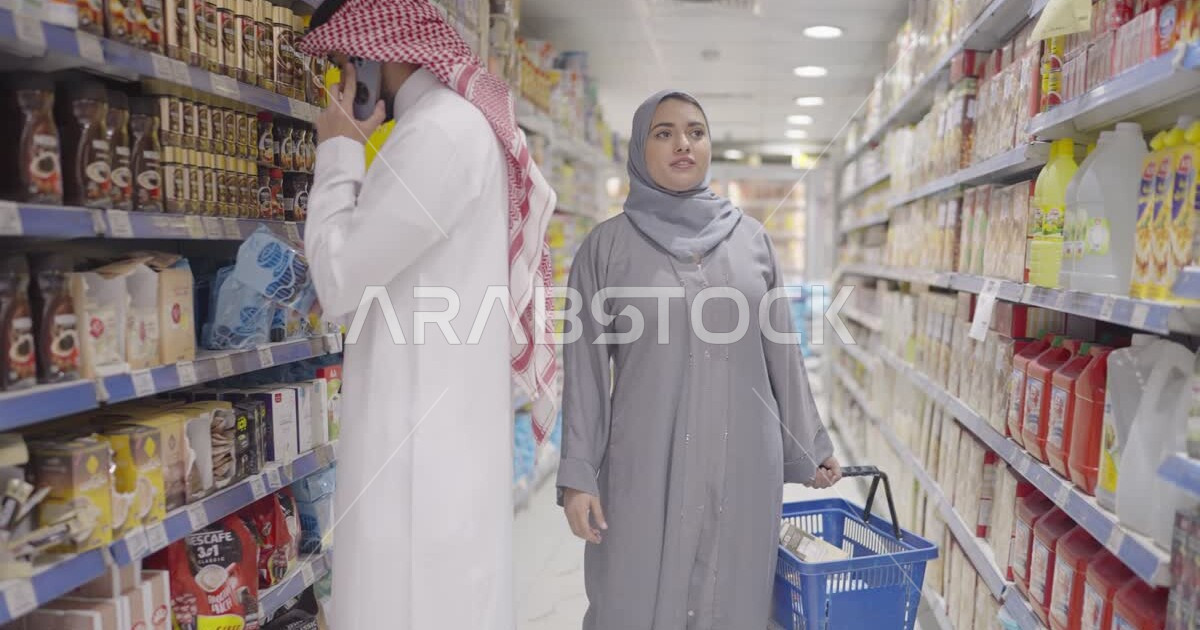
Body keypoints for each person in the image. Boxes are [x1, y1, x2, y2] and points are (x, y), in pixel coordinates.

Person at [297, 0, 558, 628]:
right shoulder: (446, 126)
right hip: (434, 429)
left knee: (410, 597)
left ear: (371, 55)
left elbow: (339, 278)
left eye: (341, 66)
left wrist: (339, 152)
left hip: (416, 441)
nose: (340, 84)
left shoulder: (438, 132)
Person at [556, 90, 841, 630]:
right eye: (663, 133)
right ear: (639, 149)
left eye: (695, 132)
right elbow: (586, 375)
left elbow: (783, 351)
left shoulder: (752, 241)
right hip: (646, 458)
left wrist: (809, 444)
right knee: (633, 594)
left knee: (732, 595)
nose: (682, 144)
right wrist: (578, 475)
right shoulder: (604, 249)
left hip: (744, 458)